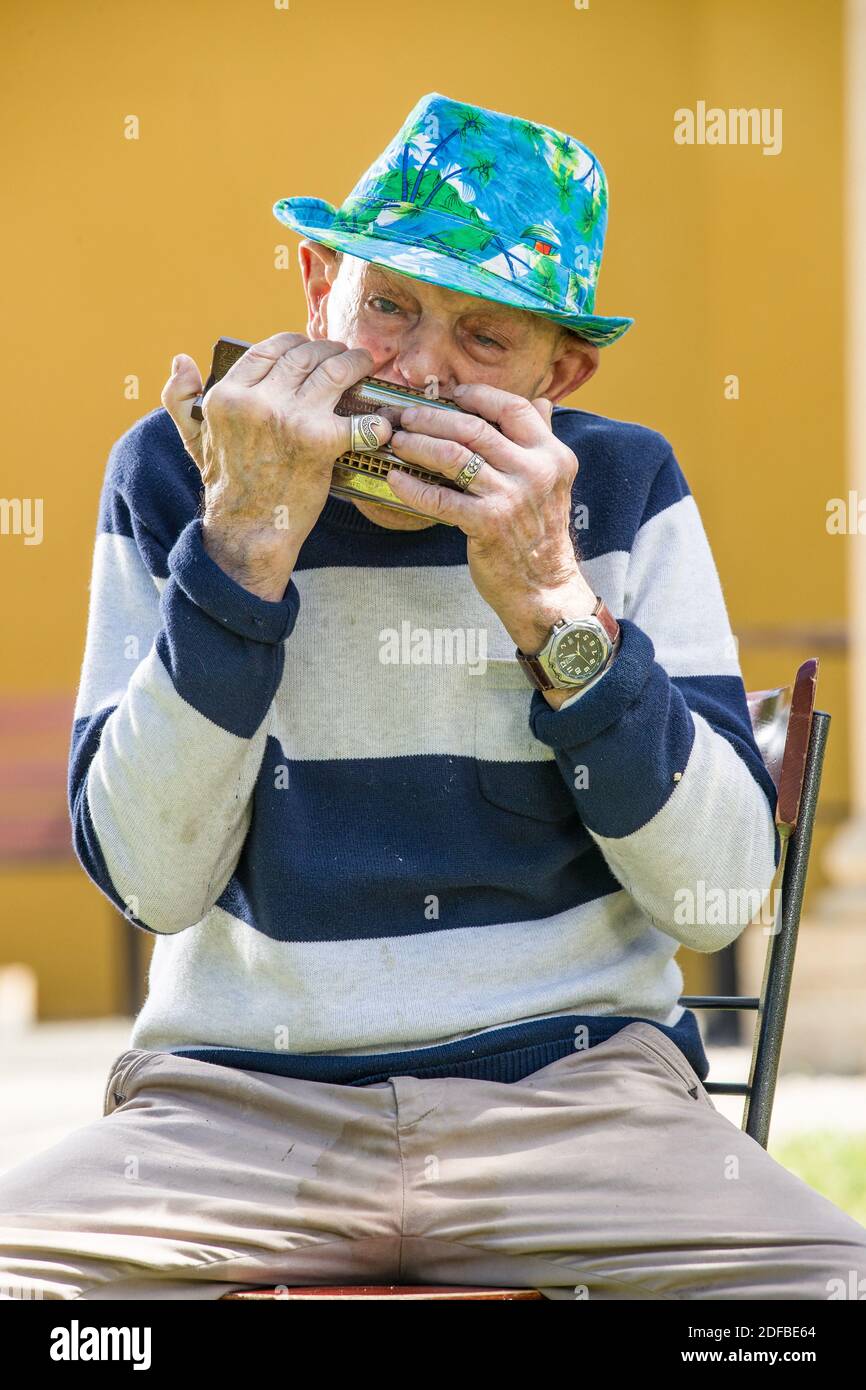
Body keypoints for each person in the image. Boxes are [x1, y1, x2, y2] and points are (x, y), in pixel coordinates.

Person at [1, 91, 864, 1302]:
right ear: (317, 287)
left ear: (562, 371)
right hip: (237, 1108)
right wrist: (240, 553)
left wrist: (551, 600)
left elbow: (713, 898)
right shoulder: (177, 472)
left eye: (485, 341)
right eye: (388, 307)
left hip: (579, 1105)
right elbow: (152, 881)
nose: (415, 374)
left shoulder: (623, 489)